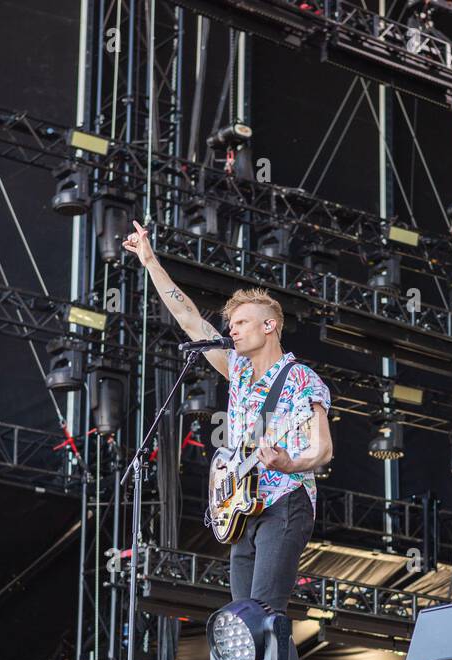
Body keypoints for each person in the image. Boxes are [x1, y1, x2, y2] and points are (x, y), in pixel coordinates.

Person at [123, 220, 334, 615]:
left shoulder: (301, 379)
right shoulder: (236, 370)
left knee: (264, 613)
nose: (231, 331)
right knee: (240, 615)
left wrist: (290, 462)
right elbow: (189, 319)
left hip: (284, 501)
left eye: (240, 323)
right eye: (230, 324)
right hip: (242, 508)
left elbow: (322, 448)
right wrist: (150, 261)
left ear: (269, 325)